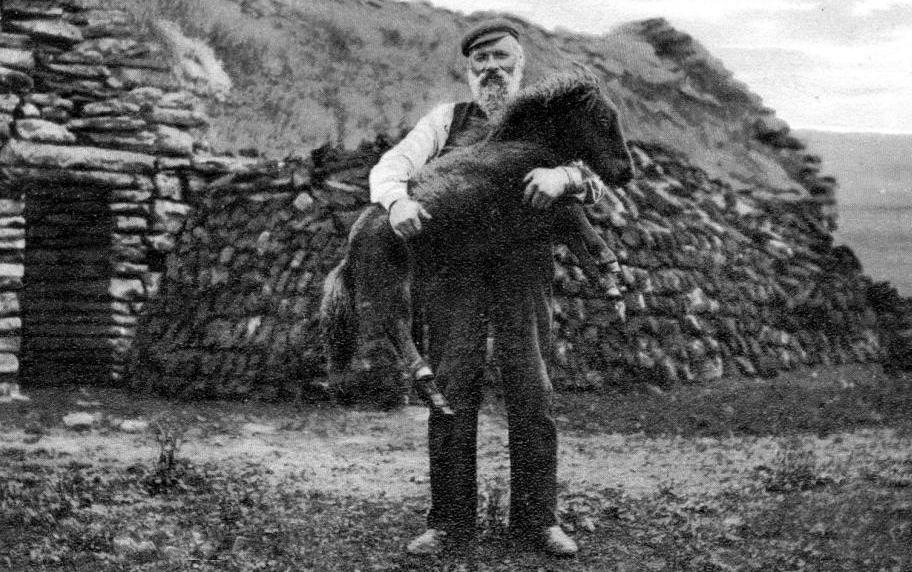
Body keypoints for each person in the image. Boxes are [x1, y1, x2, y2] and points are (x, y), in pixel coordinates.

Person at [368, 19, 633, 556]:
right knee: (451, 386)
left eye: (501, 59)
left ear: (521, 65)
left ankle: (538, 521)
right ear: (468, 71)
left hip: (523, 270)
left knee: (531, 389)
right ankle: (448, 523)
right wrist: (396, 201)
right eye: (479, 61)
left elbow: (601, 181)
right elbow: (391, 166)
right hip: (452, 271)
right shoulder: (445, 121)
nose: (490, 69)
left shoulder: (549, 124)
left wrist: (567, 179)